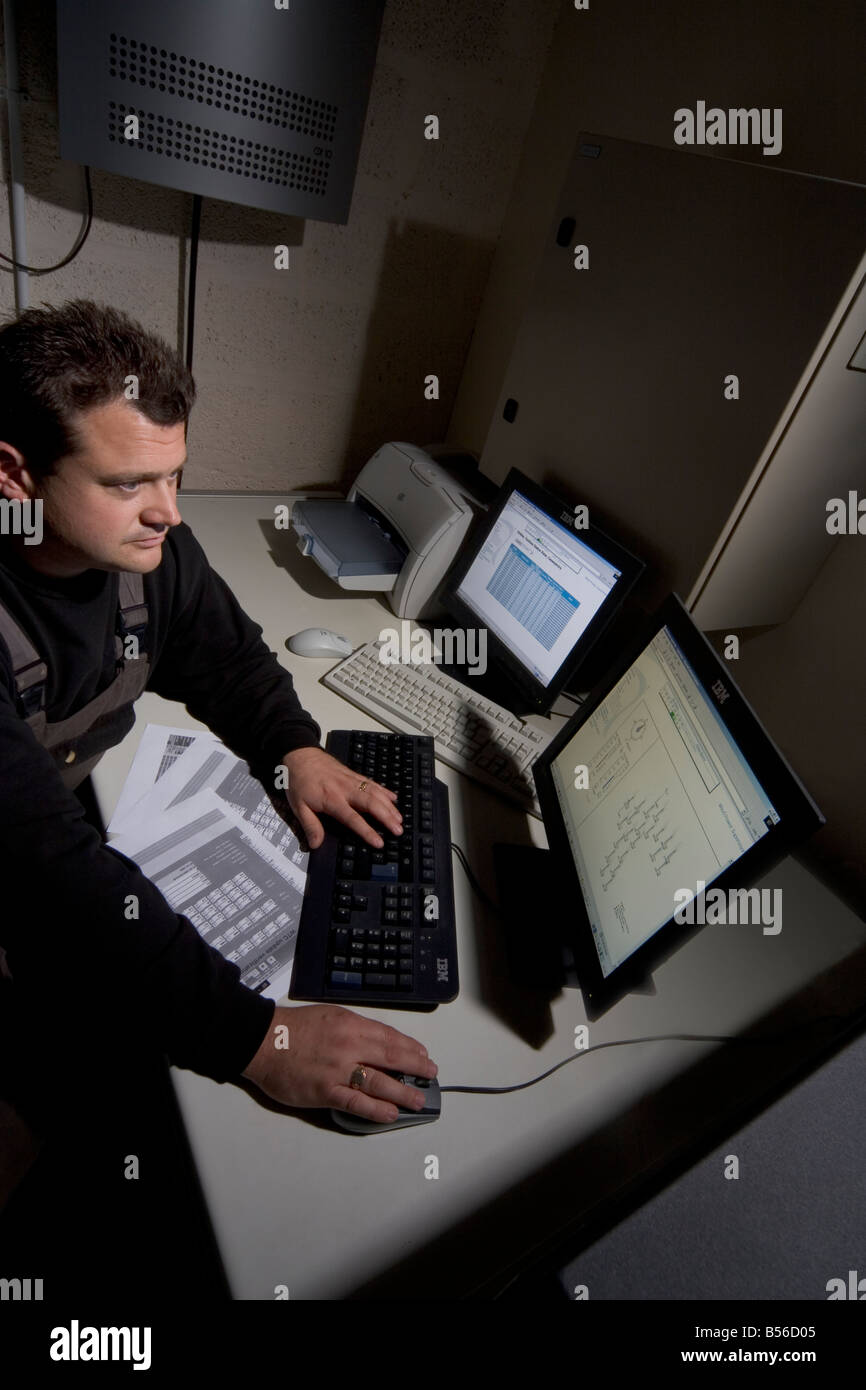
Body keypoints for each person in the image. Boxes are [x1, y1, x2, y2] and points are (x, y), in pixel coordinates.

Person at [0, 300, 437, 1176]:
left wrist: (295, 750)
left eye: (174, 476)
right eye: (126, 483)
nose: (166, 513)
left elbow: (227, 661)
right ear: (15, 477)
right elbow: (50, 872)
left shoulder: (148, 554)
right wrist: (258, 1041)